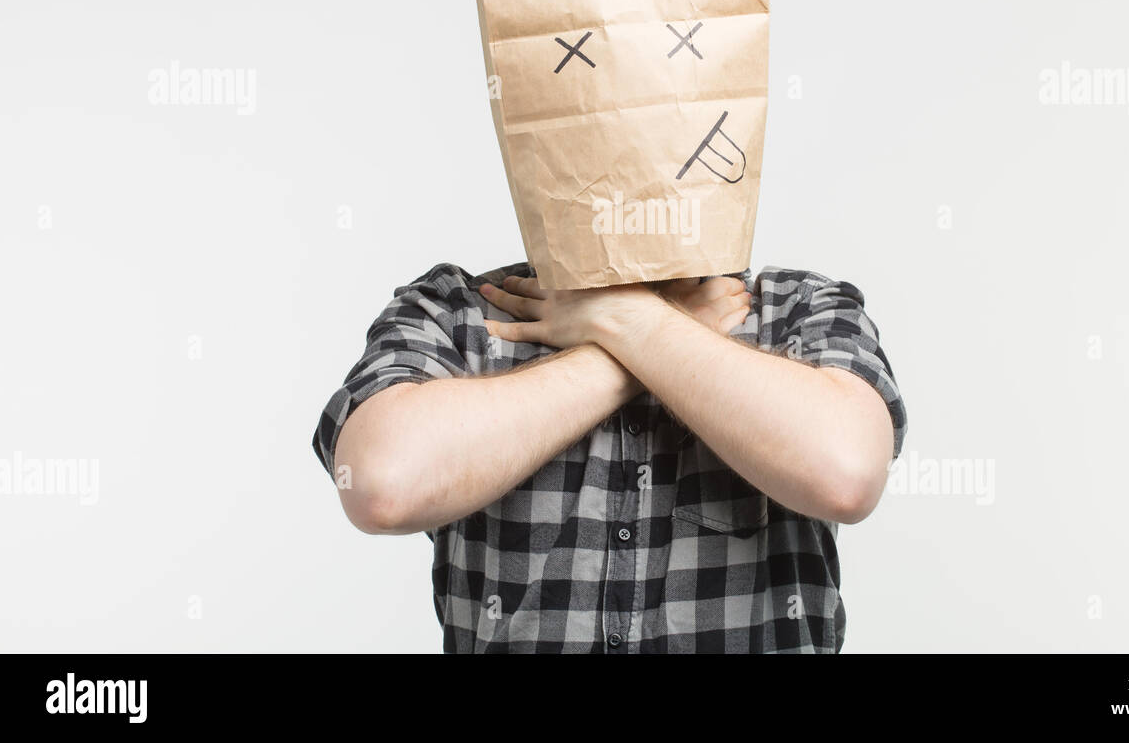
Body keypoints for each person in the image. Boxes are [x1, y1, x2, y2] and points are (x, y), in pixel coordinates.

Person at [312, 259, 907, 652]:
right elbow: (380, 482)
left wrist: (634, 321)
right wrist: (622, 348)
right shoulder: (464, 311)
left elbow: (846, 473)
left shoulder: (796, 309)